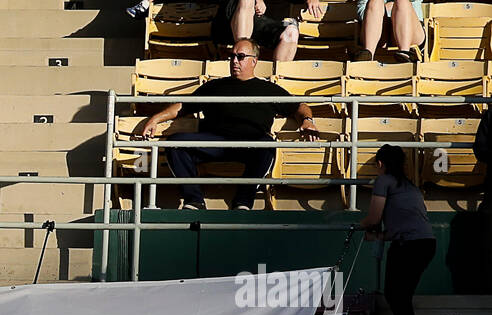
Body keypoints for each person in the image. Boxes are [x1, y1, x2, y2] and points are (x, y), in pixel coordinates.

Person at [140, 39, 319, 210]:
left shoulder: (268, 89)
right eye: (231, 56)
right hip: (215, 142)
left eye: (240, 57)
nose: (234, 61)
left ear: (254, 61)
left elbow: (299, 106)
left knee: (267, 146)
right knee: (175, 144)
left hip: (250, 144)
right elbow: (183, 106)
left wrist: (307, 121)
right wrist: (155, 119)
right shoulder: (214, 87)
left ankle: (243, 202)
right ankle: (194, 200)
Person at [359, 144, 435, 315]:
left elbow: (373, 219)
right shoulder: (410, 186)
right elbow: (402, 226)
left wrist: (357, 225)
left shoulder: (384, 181)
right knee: (399, 294)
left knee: (396, 294)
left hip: (409, 246)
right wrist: (379, 237)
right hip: (423, 243)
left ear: (380, 164)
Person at [210, 0, 305, 63]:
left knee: (291, 30)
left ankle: (277, 81)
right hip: (230, 18)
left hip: (262, 21)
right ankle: (242, 59)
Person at [356, 0, 423, 61]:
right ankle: (368, 55)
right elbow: (362, 13)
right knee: (375, 2)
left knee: (402, 2)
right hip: (378, 32)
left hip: (410, 30)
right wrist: (384, 9)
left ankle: (405, 55)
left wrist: (390, 7)